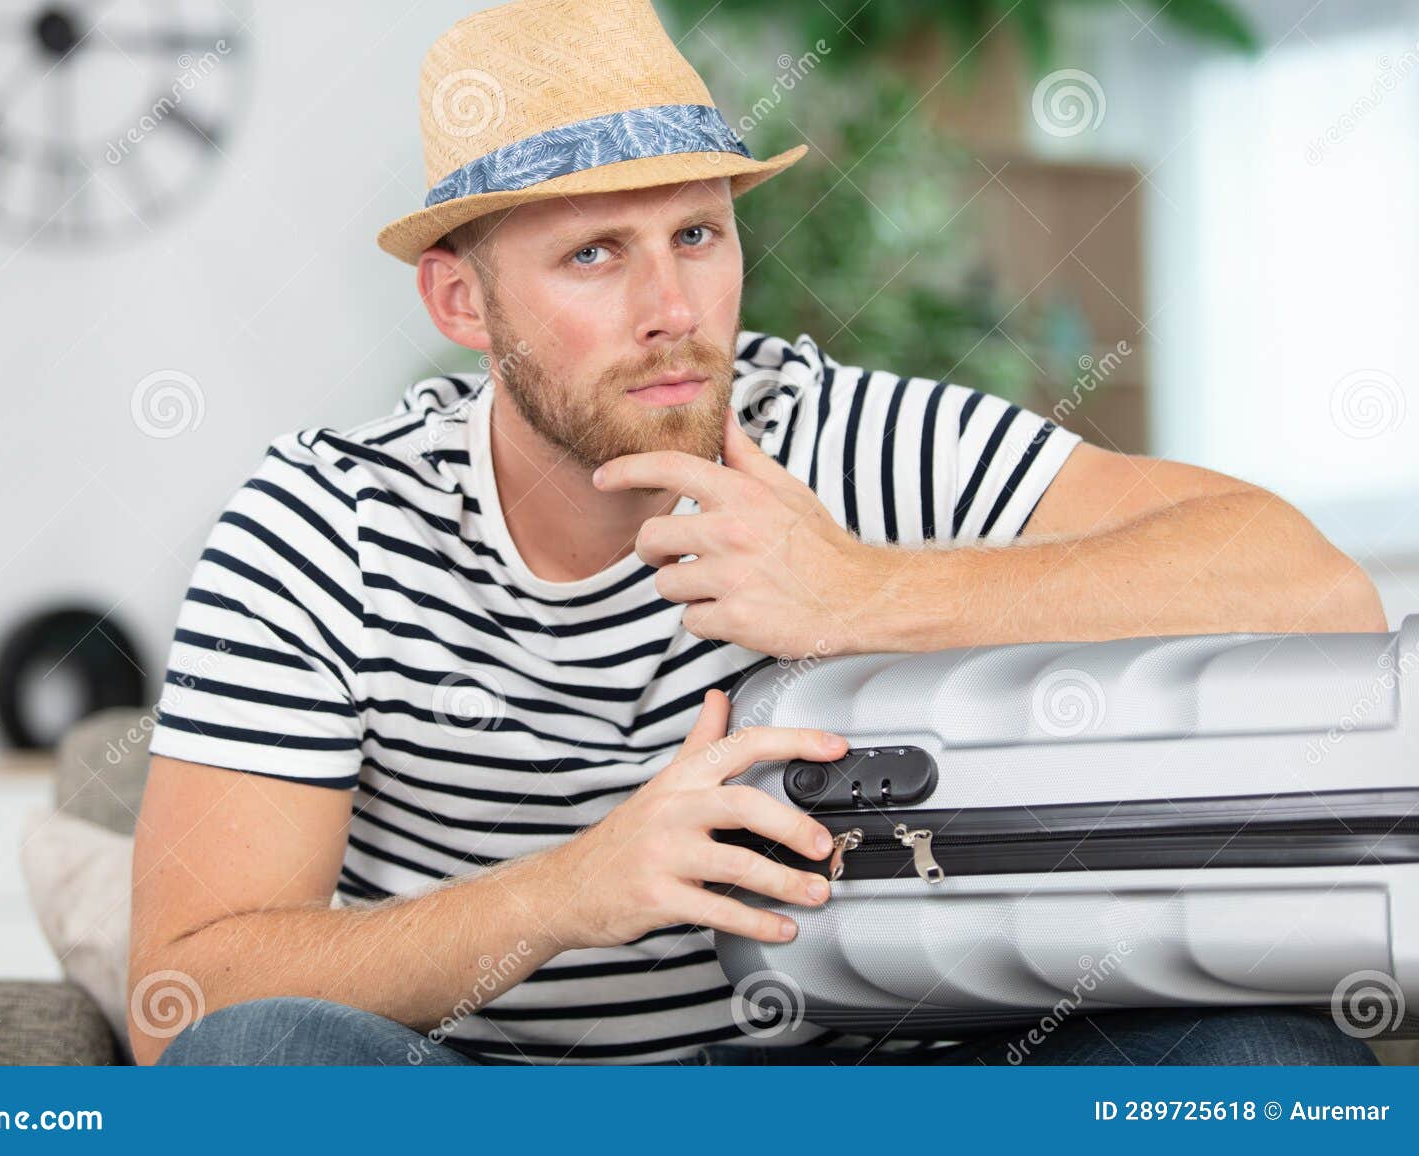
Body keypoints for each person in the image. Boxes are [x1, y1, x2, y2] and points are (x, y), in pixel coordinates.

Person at [128, 0, 1386, 1067]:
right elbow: (179, 995)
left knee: (1256, 1049)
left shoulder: (861, 441)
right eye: (593, 254)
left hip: (865, 1090)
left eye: (695, 234)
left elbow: (1318, 594)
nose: (672, 309)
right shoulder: (325, 523)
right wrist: (573, 889)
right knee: (258, 1057)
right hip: (491, 1102)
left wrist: (863, 594)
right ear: (462, 300)